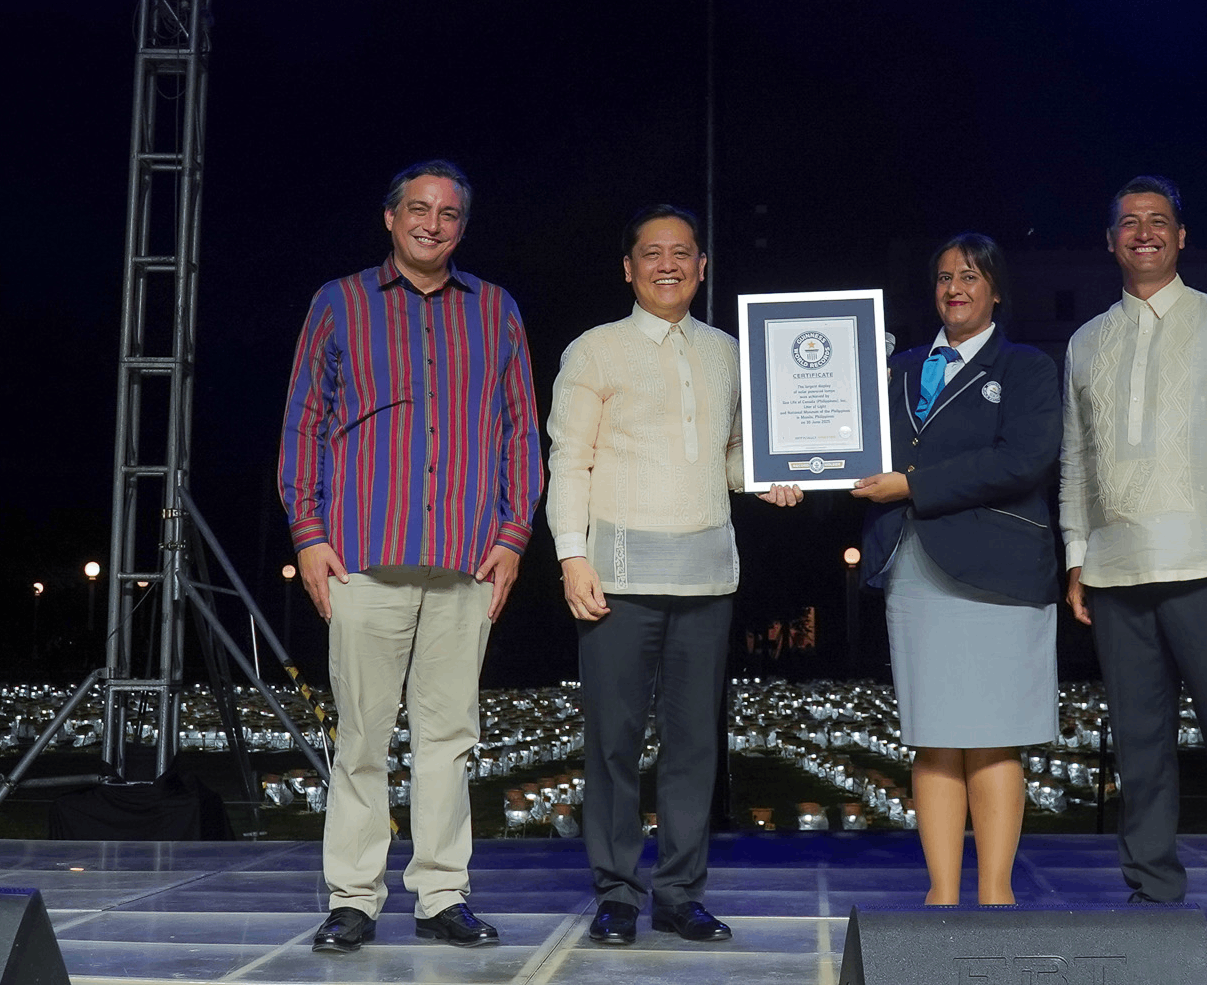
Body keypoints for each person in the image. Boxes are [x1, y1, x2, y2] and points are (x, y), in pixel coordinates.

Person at [278, 160, 542, 953]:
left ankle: (441, 894)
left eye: (450, 212)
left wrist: (511, 537)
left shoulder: (495, 309)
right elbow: (305, 424)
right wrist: (310, 535)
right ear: (389, 218)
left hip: (465, 560)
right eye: (419, 209)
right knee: (360, 736)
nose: (434, 223)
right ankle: (353, 897)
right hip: (361, 554)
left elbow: (519, 432)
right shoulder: (340, 302)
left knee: (447, 736)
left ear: (463, 225)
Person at [546, 205, 801, 946]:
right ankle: (618, 893)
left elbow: (728, 455)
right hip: (617, 574)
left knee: (695, 745)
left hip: (707, 575)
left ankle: (680, 892)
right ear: (628, 267)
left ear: (702, 266)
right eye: (652, 253)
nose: (668, 264)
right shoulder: (594, 350)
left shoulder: (727, 350)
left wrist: (772, 476)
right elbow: (569, 457)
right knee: (614, 743)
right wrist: (570, 553)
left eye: (682, 253)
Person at [1059, 175, 1207, 960]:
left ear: (1181, 237)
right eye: (1128, 223)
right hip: (1117, 573)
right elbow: (1076, 464)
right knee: (1140, 750)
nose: (1144, 233)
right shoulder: (1086, 341)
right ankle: (1153, 896)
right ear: (1109, 241)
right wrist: (1076, 556)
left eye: (1157, 221)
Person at [852, 233, 1062, 906]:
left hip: (997, 570)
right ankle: (941, 895)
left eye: (969, 276)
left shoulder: (1026, 367)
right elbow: (846, 441)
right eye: (943, 277)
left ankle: (995, 894)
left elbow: (1021, 460)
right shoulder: (899, 368)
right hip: (914, 568)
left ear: (995, 289)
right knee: (934, 733)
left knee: (994, 735)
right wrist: (789, 471)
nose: (954, 288)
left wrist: (912, 484)